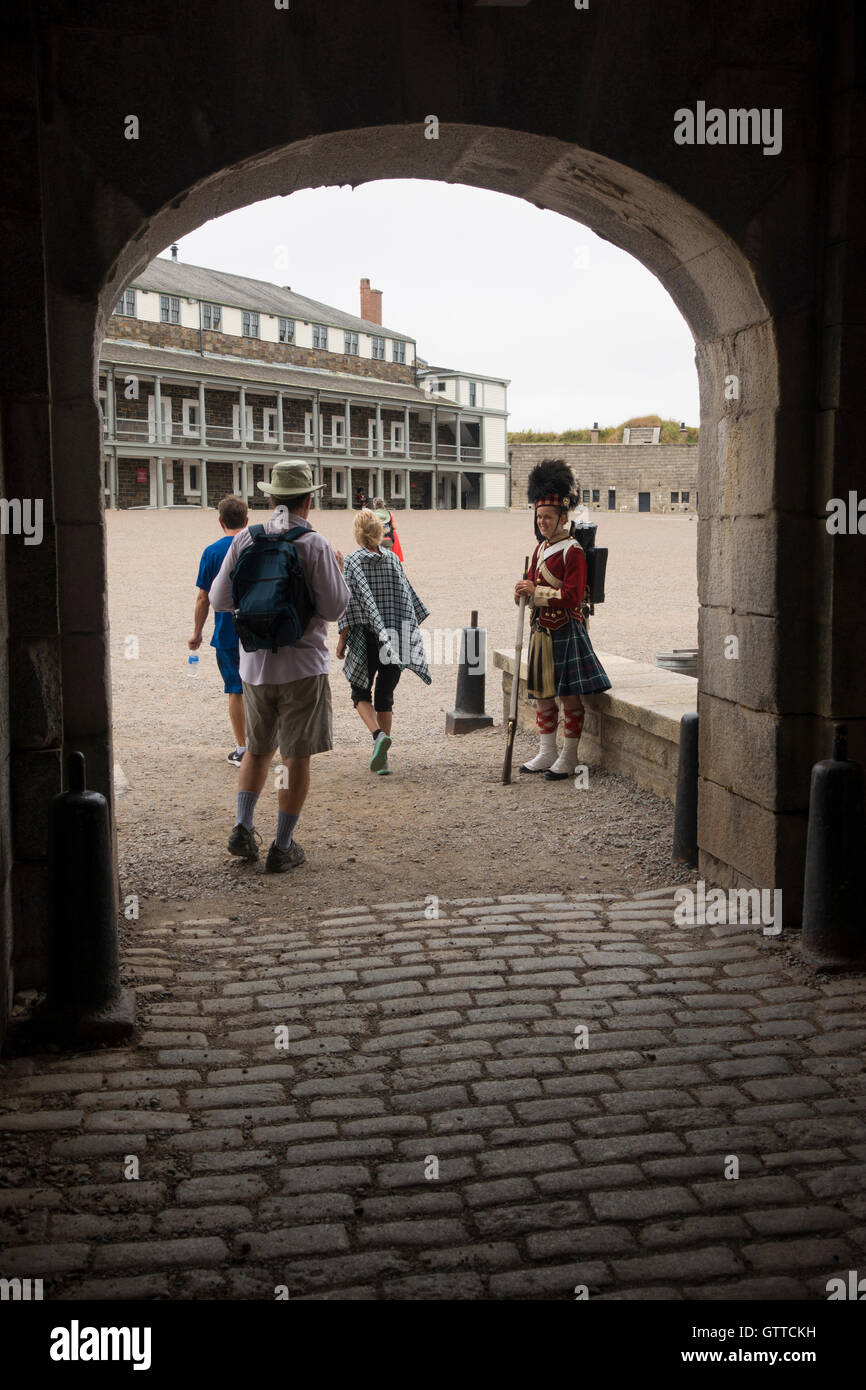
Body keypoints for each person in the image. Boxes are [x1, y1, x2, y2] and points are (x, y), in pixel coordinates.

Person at [209, 460, 350, 872]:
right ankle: (282, 845)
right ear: (309, 499)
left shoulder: (246, 540)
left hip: (254, 667)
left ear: (270, 498)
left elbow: (220, 599)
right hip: (303, 667)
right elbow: (335, 607)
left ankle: (242, 825)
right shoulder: (315, 543)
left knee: (256, 750)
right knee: (295, 757)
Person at [514, 459, 611, 780]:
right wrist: (522, 594)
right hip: (541, 630)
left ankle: (569, 757)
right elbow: (532, 585)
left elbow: (572, 596)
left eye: (548, 517)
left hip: (565, 629)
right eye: (539, 516)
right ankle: (547, 752)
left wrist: (536, 591)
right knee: (542, 695)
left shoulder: (574, 552)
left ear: (562, 518)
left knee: (569, 695)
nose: (542, 521)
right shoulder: (540, 549)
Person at [336, 508, 430, 776]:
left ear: (357, 532)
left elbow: (349, 604)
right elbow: (408, 600)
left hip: (367, 637)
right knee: (385, 697)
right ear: (379, 531)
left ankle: (378, 735)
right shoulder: (392, 559)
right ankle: (384, 759)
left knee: (359, 692)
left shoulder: (353, 562)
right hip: (396, 637)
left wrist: (342, 639)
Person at [189, 494, 249, 766]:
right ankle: (265, 741)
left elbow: (204, 597)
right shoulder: (254, 546)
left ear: (220, 521)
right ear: (246, 520)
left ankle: (242, 747)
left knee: (235, 689)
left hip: (227, 630)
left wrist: (197, 632)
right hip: (258, 629)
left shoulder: (212, 552)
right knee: (261, 686)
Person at [370, 496, 404, 562]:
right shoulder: (389, 513)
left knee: (377, 559)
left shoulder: (372, 514)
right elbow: (394, 527)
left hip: (377, 539)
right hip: (388, 539)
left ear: (374, 505)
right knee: (388, 560)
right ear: (383, 504)